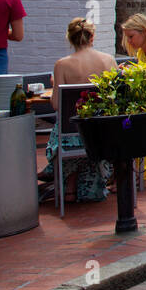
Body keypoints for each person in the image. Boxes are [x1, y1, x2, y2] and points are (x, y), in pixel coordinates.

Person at [43, 18, 118, 202]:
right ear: (92, 37)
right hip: (102, 132)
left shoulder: (62, 65)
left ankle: (68, 185)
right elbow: (118, 97)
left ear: (69, 38)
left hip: (71, 136)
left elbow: (56, 105)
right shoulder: (108, 60)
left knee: (62, 129)